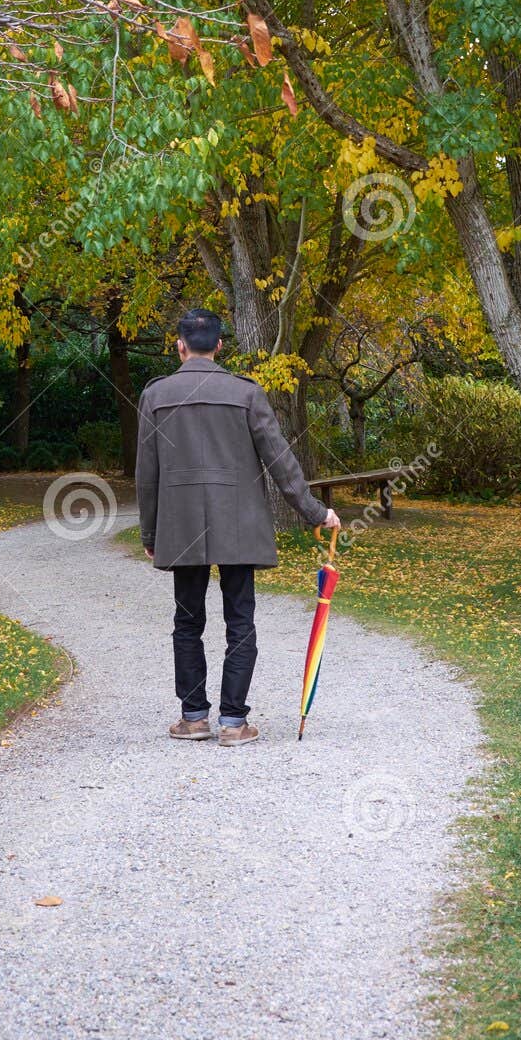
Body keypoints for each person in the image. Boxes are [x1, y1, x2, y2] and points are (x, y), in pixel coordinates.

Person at [135, 308, 340, 747]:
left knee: (187, 621)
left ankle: (194, 718)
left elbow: (146, 475)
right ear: (220, 346)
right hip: (238, 525)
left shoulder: (156, 395)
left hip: (182, 526)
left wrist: (150, 534)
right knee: (240, 621)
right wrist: (315, 512)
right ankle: (233, 722)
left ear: (180, 346)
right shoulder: (246, 393)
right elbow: (280, 460)